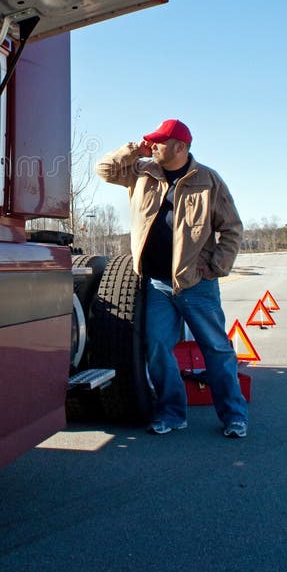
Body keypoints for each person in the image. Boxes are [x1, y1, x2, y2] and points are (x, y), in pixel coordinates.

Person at [95, 119, 248, 438]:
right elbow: (104, 169)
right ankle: (172, 413)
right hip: (156, 285)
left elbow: (231, 228)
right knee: (158, 349)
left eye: (159, 142)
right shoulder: (142, 172)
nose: (152, 146)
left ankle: (234, 416)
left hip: (197, 285)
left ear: (180, 147)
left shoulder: (207, 180)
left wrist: (217, 265)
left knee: (217, 350)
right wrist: (133, 149)